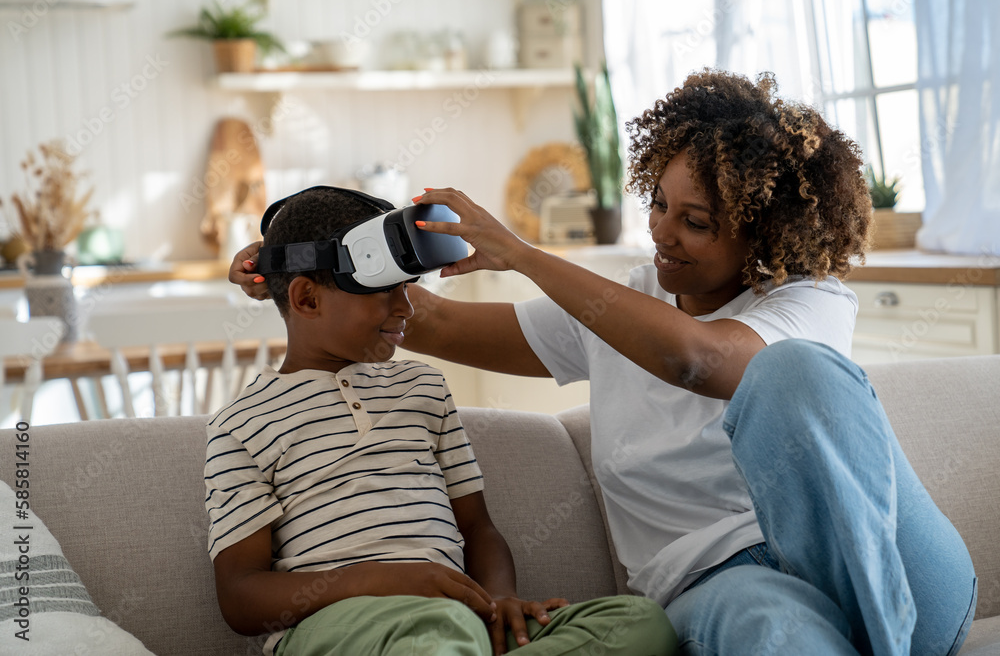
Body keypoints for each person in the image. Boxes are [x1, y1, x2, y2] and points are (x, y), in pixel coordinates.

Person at [230, 70, 977, 655]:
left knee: (793, 374)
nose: (663, 235)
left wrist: (521, 255)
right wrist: (309, 272)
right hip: (727, 583)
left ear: (765, 235)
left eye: (697, 222)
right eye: (659, 204)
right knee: (774, 631)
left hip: (897, 565)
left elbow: (697, 359)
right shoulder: (617, 309)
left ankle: (888, 639)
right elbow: (439, 322)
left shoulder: (807, 300)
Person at [206, 186, 677, 656]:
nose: (407, 308)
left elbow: (479, 529)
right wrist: (377, 580)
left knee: (639, 623)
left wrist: (498, 601)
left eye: (407, 289)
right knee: (442, 630)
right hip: (338, 629)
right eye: (385, 292)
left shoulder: (423, 388)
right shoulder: (242, 424)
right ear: (307, 299)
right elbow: (240, 597)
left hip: (458, 623)